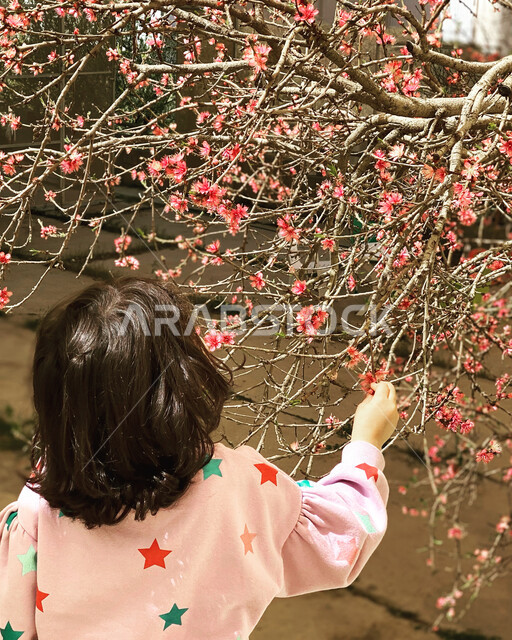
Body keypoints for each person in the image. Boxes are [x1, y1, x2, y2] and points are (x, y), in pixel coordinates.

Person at [0, 276, 399, 639]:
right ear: (186, 384)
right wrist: (365, 444)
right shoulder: (239, 484)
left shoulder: (39, 511)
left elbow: (15, 628)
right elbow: (340, 539)